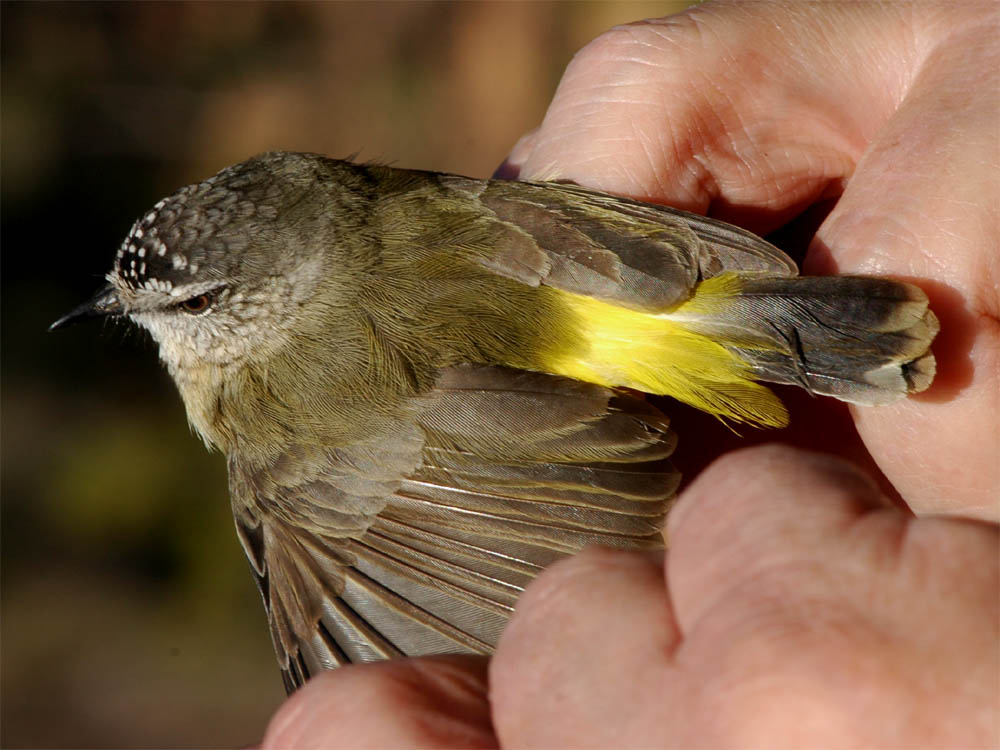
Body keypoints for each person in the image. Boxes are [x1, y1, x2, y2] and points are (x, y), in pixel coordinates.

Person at [261, 2, 998, 746]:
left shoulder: (277, 424)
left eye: (196, 304)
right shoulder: (386, 205)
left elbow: (376, 624)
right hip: (665, 284)